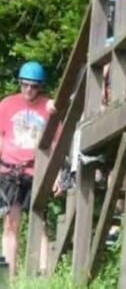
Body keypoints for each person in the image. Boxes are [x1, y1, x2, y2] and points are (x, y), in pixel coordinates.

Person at [0, 62, 56, 277]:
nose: (28, 90)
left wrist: (57, 173)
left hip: (36, 171)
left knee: (39, 223)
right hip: (10, 170)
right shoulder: (6, 104)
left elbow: (55, 144)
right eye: (25, 85)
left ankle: (43, 275)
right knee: (10, 224)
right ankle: (9, 276)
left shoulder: (48, 107)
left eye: (33, 86)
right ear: (20, 83)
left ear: (40, 86)